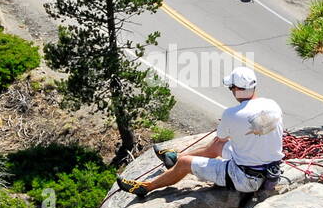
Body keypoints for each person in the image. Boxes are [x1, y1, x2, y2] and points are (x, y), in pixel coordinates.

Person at [117, 66, 283, 197]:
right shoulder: (272, 105)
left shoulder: (232, 114)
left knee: (186, 164)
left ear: (236, 89)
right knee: (217, 147)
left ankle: (147, 187)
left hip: (245, 179)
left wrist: (231, 123)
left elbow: (222, 136)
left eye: (231, 88)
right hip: (270, 172)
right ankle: (174, 159)